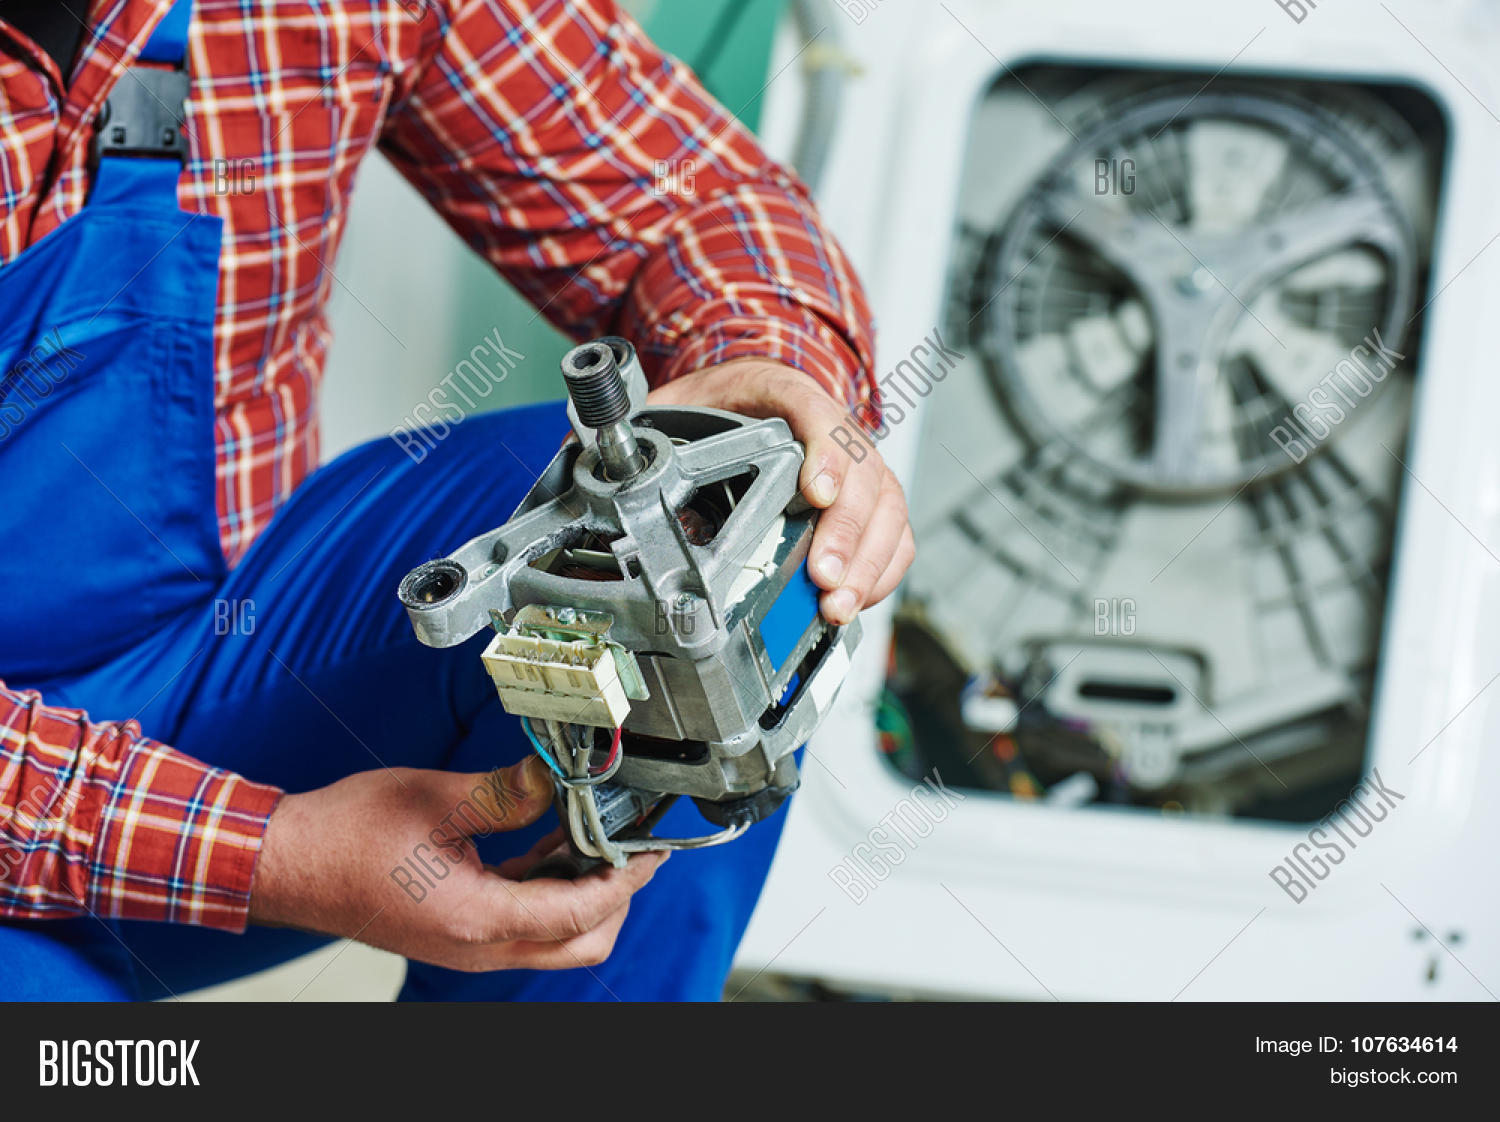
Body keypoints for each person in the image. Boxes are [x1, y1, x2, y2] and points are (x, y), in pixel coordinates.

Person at [0, 0, 910, 1001]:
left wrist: (769, 368)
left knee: (708, 524)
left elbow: (689, 199)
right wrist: (273, 852)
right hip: (92, 834)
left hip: (215, 680)